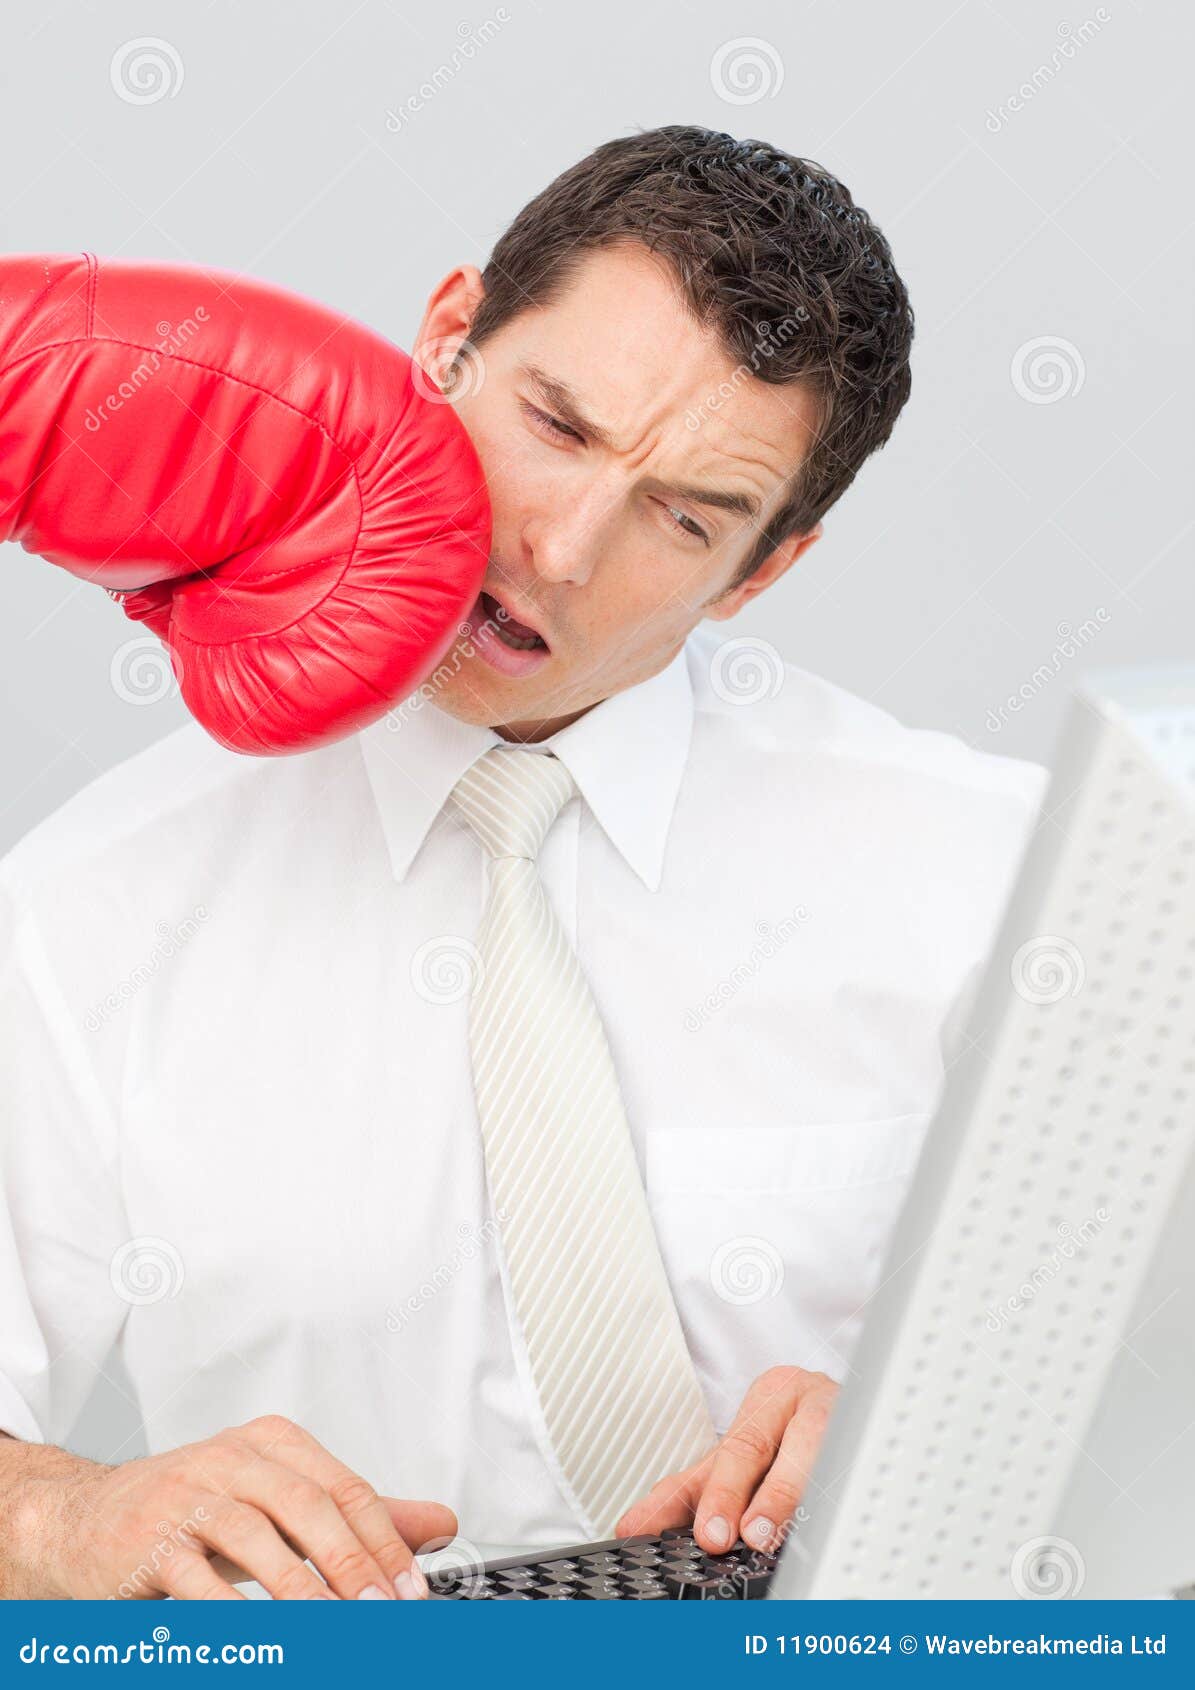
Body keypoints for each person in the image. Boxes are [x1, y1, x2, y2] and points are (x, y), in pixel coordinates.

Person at [0, 126, 1045, 1599]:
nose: (558, 548)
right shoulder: (94, 903)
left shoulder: (986, 871)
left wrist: (968, 1430)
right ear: (444, 344)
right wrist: (58, 1516)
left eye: (683, 518)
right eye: (555, 424)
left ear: (763, 571)